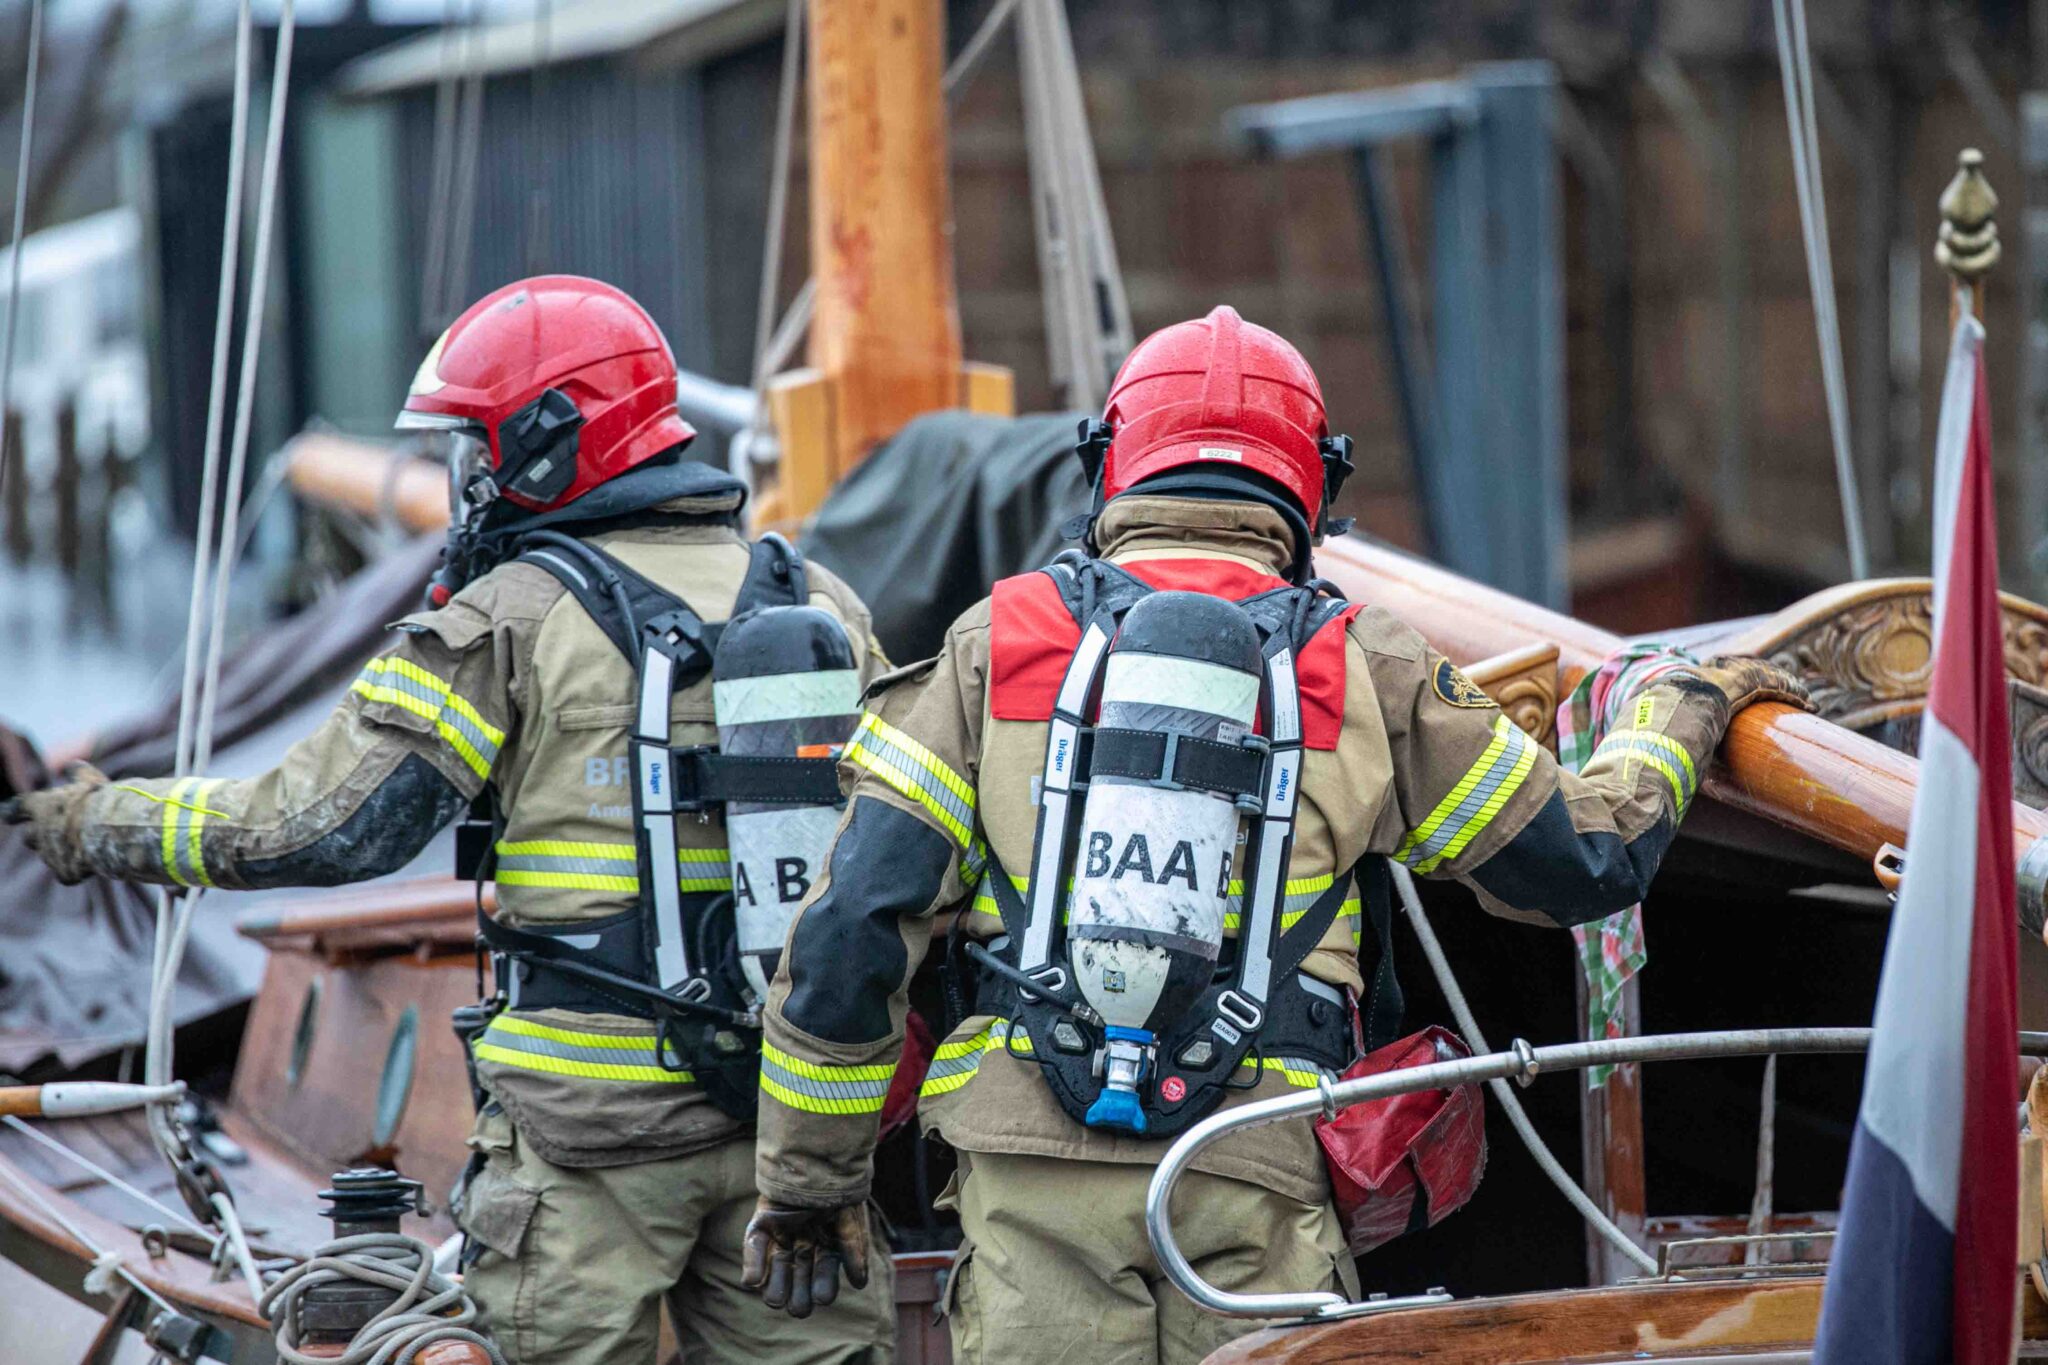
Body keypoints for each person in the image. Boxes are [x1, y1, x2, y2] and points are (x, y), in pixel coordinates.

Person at [738, 305, 1809, 1363]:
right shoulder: (1366, 665)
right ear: (1314, 486)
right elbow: (1585, 861)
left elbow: (851, 933)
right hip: (1252, 1172)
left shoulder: (995, 644)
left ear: (1109, 464)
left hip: (1026, 1179)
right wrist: (1675, 708)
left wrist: (806, 1188)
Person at [8, 276, 897, 1365]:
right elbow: (900, 858)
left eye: (470, 448)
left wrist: (88, 823)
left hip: (588, 1147)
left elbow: (316, 831)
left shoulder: (503, 621)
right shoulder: (821, 602)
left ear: (543, 440)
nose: (458, 479)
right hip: (792, 1133)